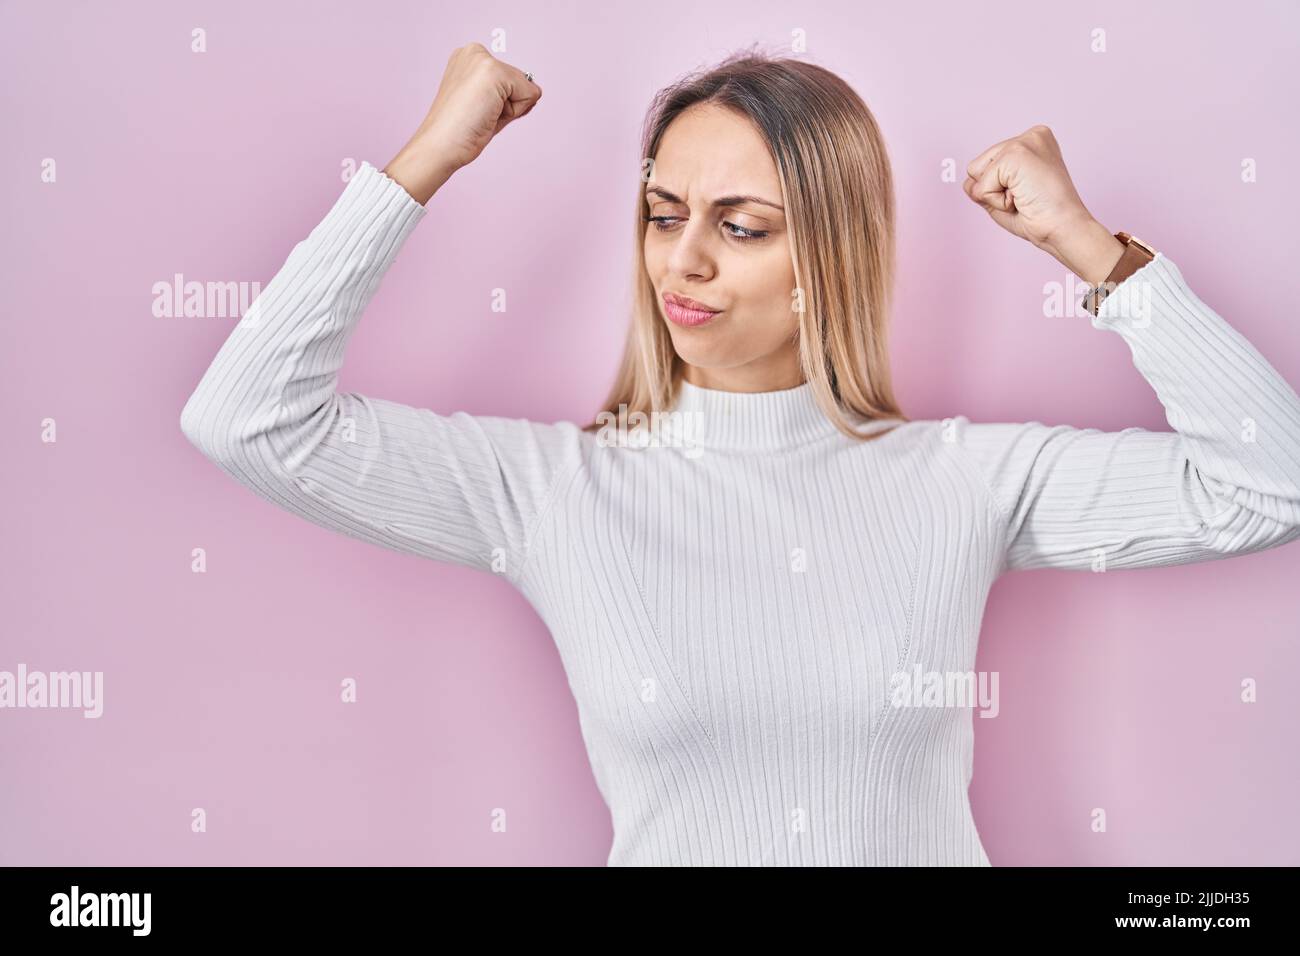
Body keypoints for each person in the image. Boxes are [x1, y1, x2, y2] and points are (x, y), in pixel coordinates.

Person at [180, 43, 1300, 866]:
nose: (685, 262)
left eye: (740, 224)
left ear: (830, 251)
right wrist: (428, 158)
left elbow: (1272, 483)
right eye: (663, 214)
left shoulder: (964, 480)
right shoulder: (549, 491)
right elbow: (249, 420)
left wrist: (1087, 247)